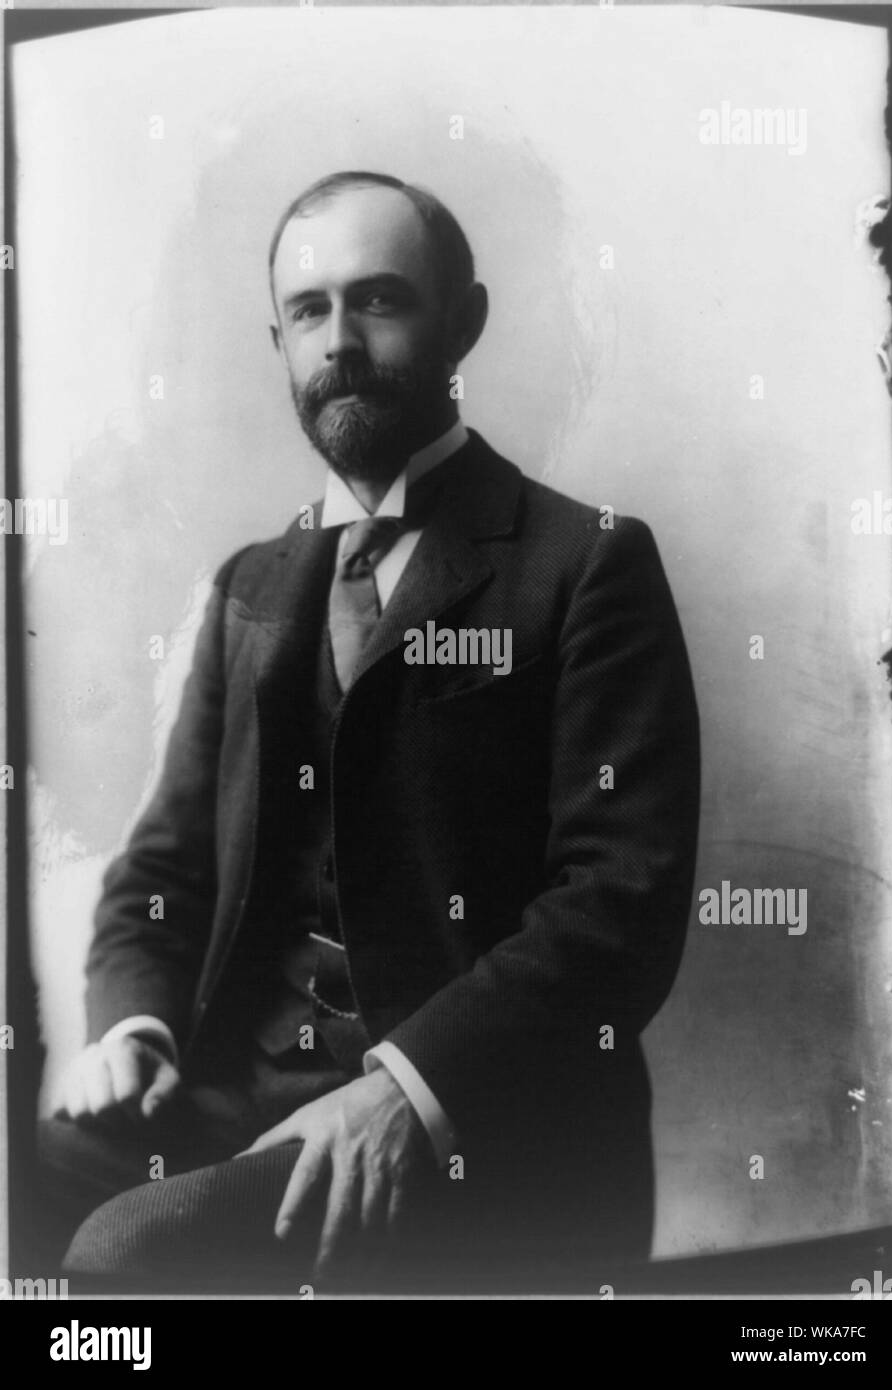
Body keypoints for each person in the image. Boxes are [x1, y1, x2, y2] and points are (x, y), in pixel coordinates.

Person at [39, 171, 701, 1295]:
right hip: (232, 1090)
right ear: (280, 340)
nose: (339, 342)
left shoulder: (586, 564)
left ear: (462, 323)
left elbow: (617, 906)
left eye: (379, 301)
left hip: (472, 1127)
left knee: (124, 1254)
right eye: (308, 311)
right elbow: (164, 865)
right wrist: (137, 1024)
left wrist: (408, 1086)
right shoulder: (253, 582)